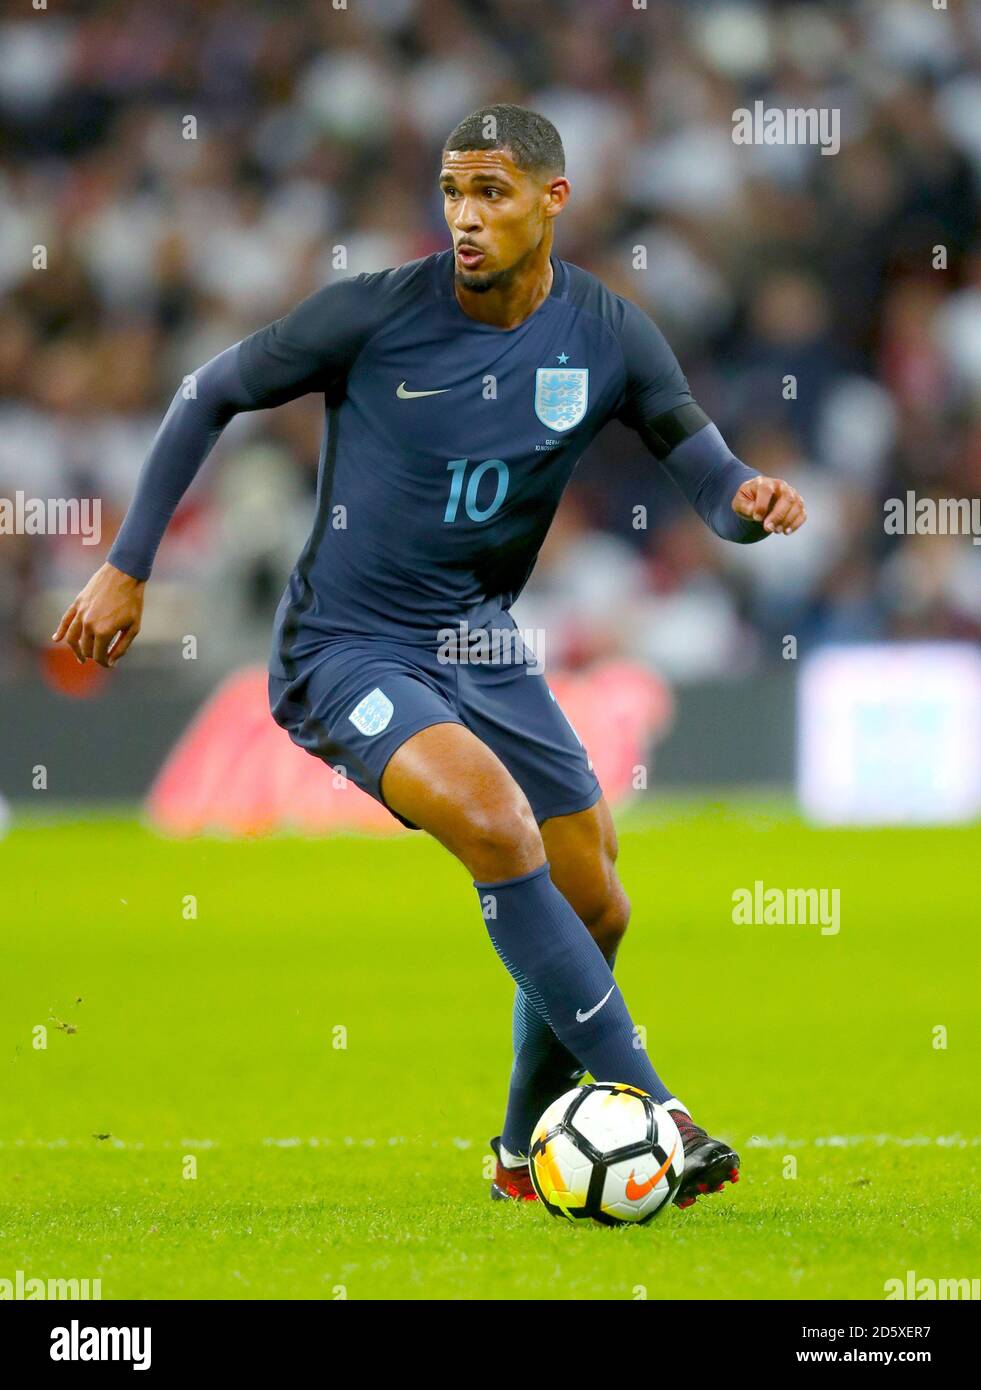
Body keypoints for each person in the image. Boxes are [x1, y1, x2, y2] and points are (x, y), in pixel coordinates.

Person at [54, 104, 806, 1210]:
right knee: (498, 825)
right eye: (453, 190)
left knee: (597, 900)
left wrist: (746, 504)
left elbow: (705, 470)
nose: (464, 215)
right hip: (346, 646)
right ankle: (661, 1108)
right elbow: (205, 391)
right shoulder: (374, 314)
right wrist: (127, 562)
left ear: (553, 200)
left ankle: (514, 1158)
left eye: (492, 192)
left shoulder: (608, 333)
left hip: (478, 640)